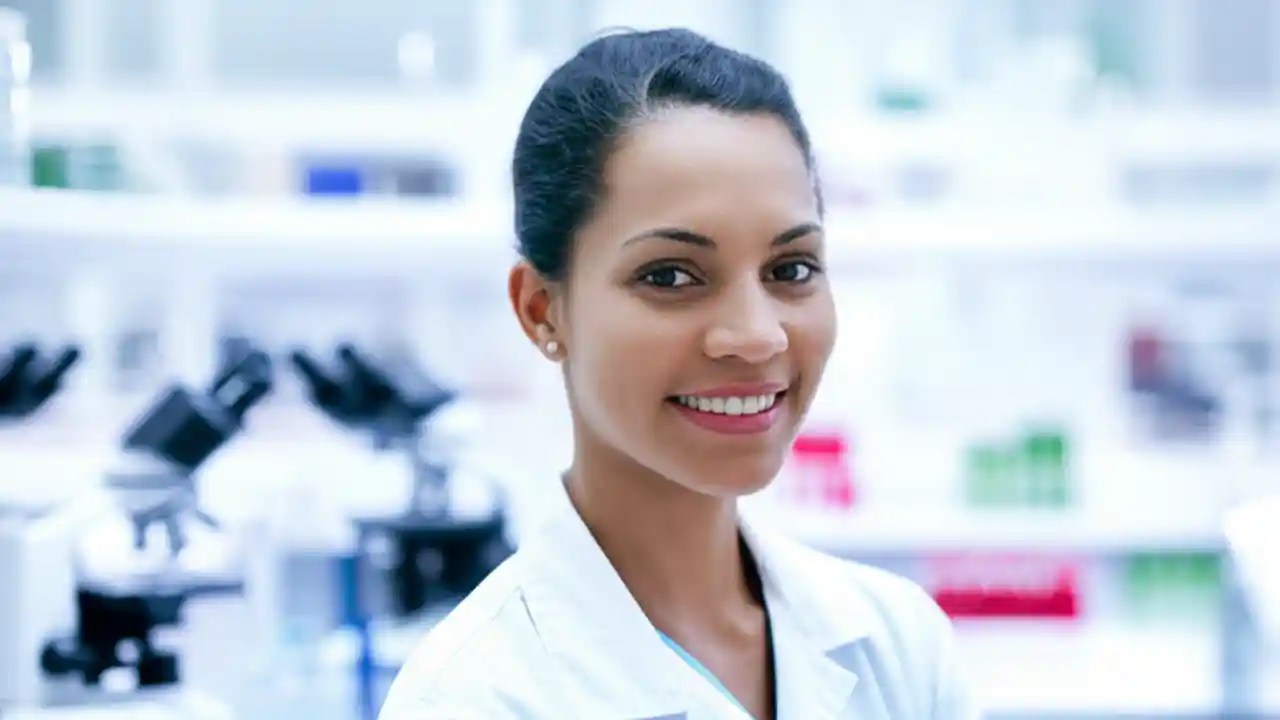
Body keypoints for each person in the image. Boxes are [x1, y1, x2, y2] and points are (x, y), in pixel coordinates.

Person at [379, 28, 979, 719]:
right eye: (669, 275)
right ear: (543, 310)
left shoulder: (897, 648)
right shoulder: (474, 698)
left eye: (791, 270)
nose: (756, 336)